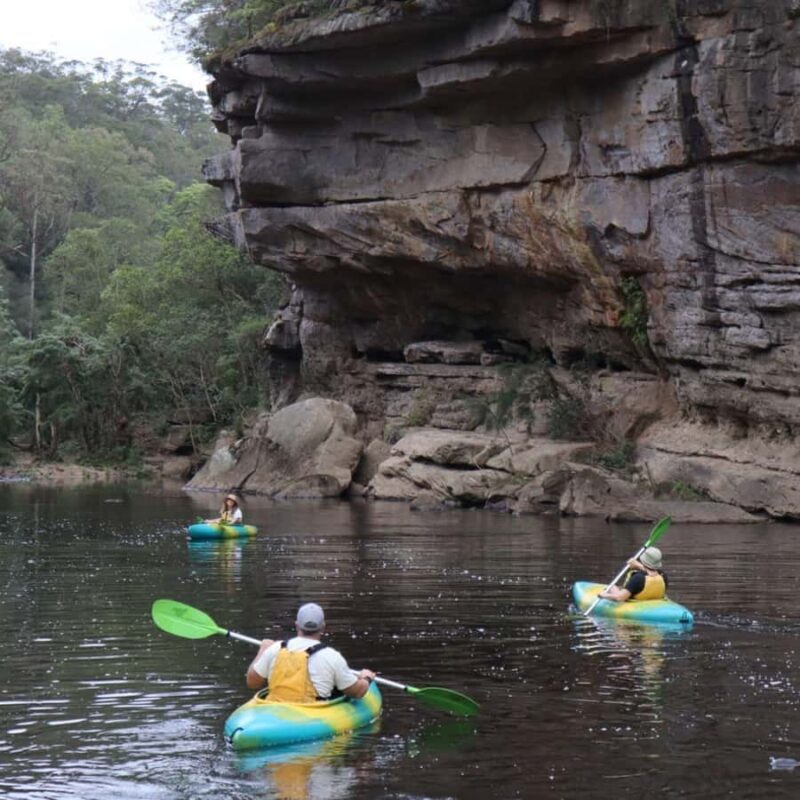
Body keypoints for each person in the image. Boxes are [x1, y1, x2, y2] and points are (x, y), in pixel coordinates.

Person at [246, 603, 376, 701]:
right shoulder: (332, 657)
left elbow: (252, 682)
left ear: (296, 625)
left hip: (275, 707)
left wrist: (263, 650)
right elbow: (357, 692)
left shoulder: (275, 648)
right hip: (309, 712)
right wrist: (366, 678)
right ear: (323, 627)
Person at [598, 546, 667, 602]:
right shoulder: (662, 575)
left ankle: (612, 589)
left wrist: (604, 595)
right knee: (618, 587)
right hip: (654, 600)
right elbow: (650, 572)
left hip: (636, 601)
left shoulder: (638, 578)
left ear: (643, 560)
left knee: (612, 587)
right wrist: (638, 565)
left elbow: (620, 598)